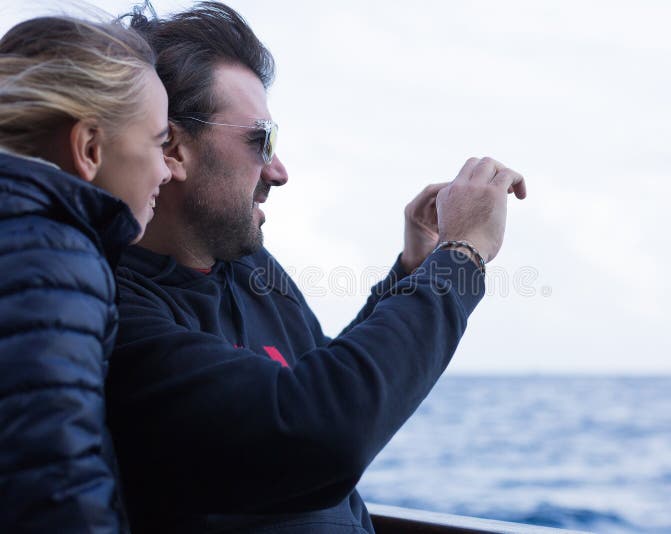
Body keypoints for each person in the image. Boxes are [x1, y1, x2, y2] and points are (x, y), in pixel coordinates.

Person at [106, 2, 526, 532]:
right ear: (174, 150)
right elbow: (321, 433)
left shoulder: (247, 265)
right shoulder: (114, 313)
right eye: (262, 140)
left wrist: (414, 270)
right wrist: (461, 258)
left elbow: (320, 375)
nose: (278, 171)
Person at [0, 15, 172, 532]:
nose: (167, 169)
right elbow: (56, 487)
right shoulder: (54, 258)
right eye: (159, 143)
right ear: (90, 148)